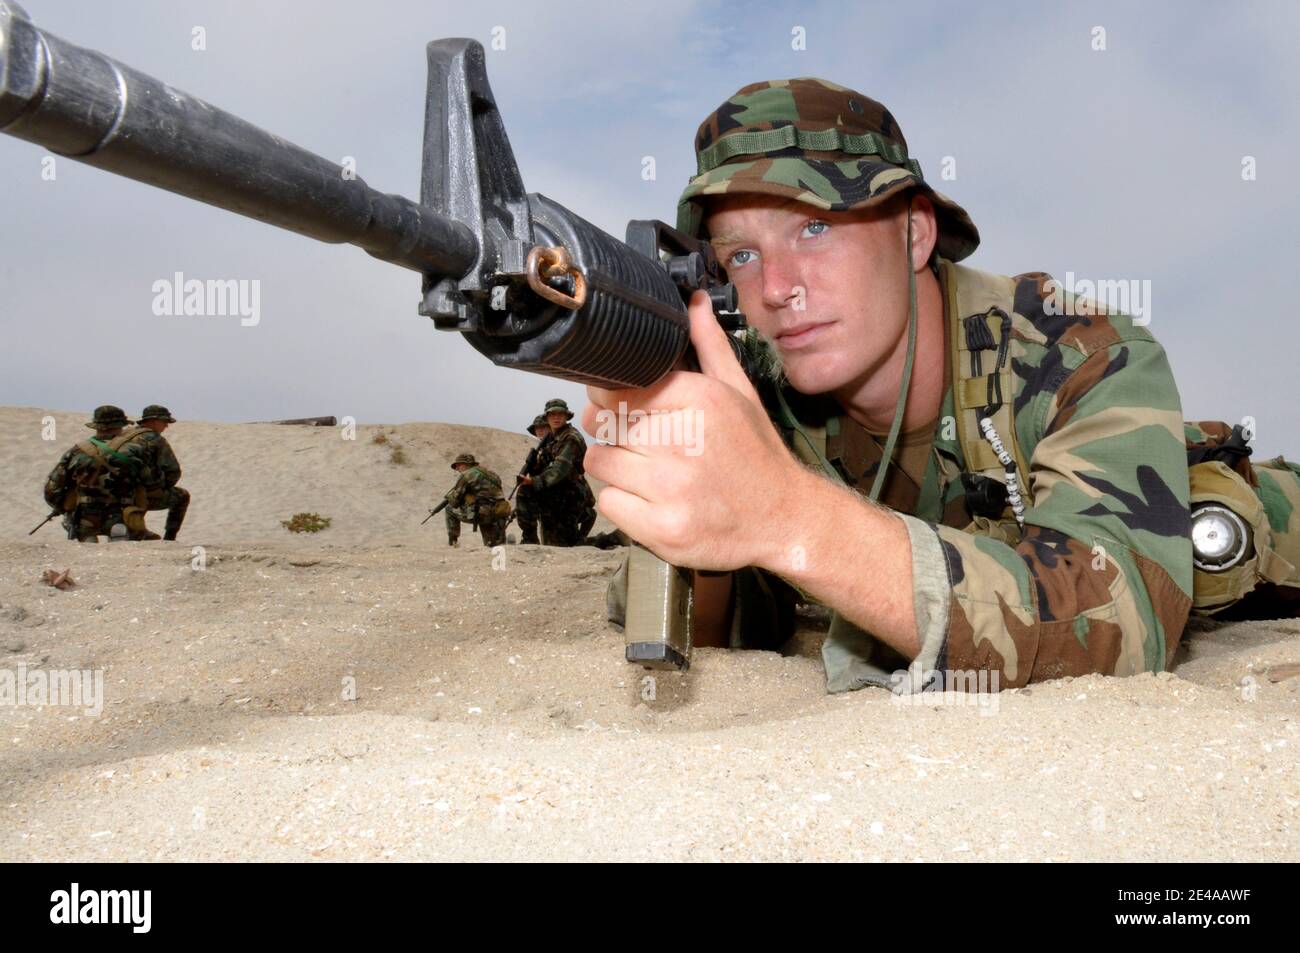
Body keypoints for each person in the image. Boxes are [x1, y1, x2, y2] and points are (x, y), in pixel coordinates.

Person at [588, 77, 1300, 694]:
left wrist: (789, 517)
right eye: (740, 253)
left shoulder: (1072, 350)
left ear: (915, 233)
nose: (777, 289)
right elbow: (734, 621)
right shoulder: (759, 399)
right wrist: (699, 516)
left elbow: (1120, 619)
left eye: (813, 227)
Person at [42, 405, 146, 542]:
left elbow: (53, 488)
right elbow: (152, 481)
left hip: (86, 515)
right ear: (121, 426)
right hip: (123, 514)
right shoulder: (136, 450)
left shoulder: (77, 451)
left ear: (96, 426)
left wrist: (63, 507)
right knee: (122, 554)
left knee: (88, 554)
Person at [519, 399, 597, 546]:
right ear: (547, 418)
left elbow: (559, 470)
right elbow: (546, 468)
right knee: (561, 544)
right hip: (557, 493)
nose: (556, 418)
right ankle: (529, 539)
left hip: (570, 495)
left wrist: (535, 481)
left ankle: (610, 539)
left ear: (566, 416)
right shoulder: (553, 440)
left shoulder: (570, 437)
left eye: (560, 414)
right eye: (552, 415)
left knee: (569, 545)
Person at [119, 404, 190, 541]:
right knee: (182, 496)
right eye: (164, 422)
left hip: (114, 491)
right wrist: (160, 486)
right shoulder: (155, 439)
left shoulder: (124, 434)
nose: (166, 426)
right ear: (153, 421)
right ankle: (170, 538)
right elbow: (173, 471)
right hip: (141, 492)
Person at [443, 452, 508, 548]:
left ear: (465, 464)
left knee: (449, 509)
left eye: (458, 466)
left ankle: (453, 542)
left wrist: (454, 498)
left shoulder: (466, 475)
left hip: (482, 514)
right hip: (500, 512)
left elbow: (454, 502)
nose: (457, 469)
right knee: (495, 547)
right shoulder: (492, 474)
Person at [513, 414, 552, 545]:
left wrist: (533, 481)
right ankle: (529, 537)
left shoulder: (556, 445)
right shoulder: (540, 449)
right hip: (545, 490)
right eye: (537, 428)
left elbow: (554, 473)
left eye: (543, 427)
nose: (540, 430)